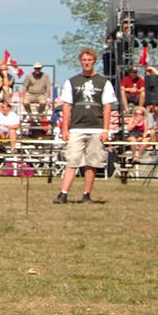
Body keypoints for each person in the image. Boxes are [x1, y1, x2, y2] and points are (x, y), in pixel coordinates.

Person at [54, 48, 116, 204]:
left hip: (96, 127)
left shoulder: (103, 82)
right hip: (77, 127)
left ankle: (86, 194)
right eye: (84, 60)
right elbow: (67, 106)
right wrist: (64, 128)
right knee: (72, 160)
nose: (87, 62)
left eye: (89, 60)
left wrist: (106, 129)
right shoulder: (72, 82)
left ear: (94, 61)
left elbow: (107, 107)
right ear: (81, 62)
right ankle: (63, 193)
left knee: (92, 163)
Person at [22, 61, 52, 129]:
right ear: (34, 68)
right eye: (36, 68)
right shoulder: (29, 76)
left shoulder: (46, 76)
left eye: (39, 68)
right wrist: (22, 97)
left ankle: (39, 115)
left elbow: (48, 87)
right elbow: (25, 87)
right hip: (30, 94)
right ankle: (31, 115)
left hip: (41, 94)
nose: (37, 70)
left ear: (41, 68)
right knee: (25, 102)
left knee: (43, 102)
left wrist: (48, 98)